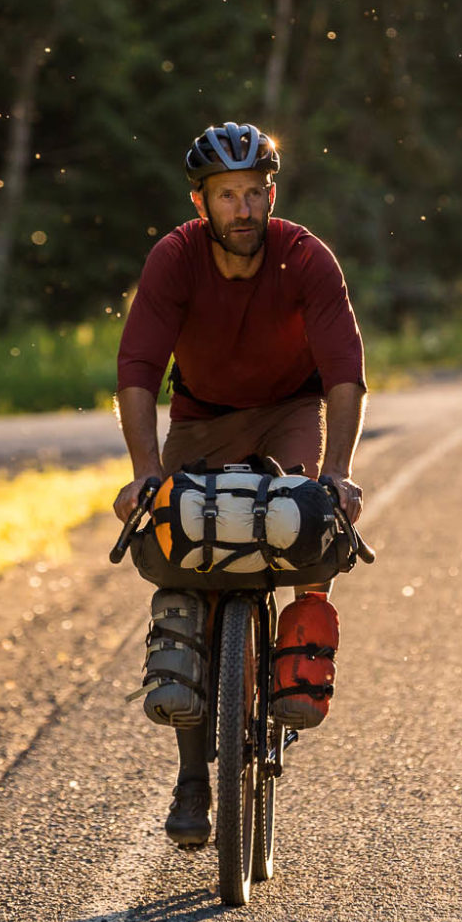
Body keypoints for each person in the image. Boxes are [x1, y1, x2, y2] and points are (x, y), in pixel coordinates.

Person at [111, 121, 368, 848]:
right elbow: (135, 374)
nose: (244, 209)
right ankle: (195, 776)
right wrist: (143, 476)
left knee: (306, 530)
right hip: (200, 421)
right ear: (201, 203)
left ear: (271, 194)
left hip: (289, 414)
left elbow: (345, 374)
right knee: (191, 561)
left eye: (255, 193)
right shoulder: (174, 259)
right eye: (228, 196)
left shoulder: (305, 256)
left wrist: (340, 472)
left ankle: (297, 674)